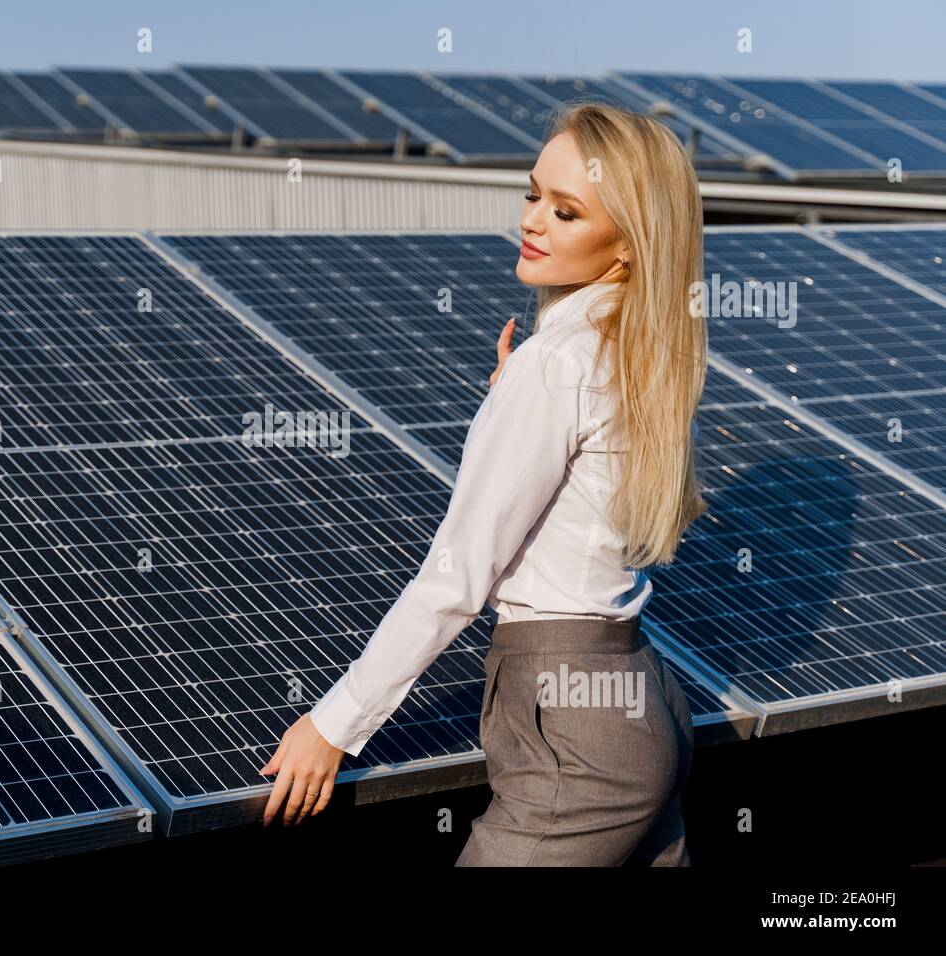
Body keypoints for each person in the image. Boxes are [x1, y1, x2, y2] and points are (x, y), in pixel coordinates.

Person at [259, 101, 708, 866]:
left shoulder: (555, 365)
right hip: (642, 698)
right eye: (535, 194)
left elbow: (459, 576)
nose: (534, 220)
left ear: (627, 247)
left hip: (576, 737)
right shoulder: (630, 351)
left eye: (566, 212)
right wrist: (518, 403)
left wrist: (334, 723)